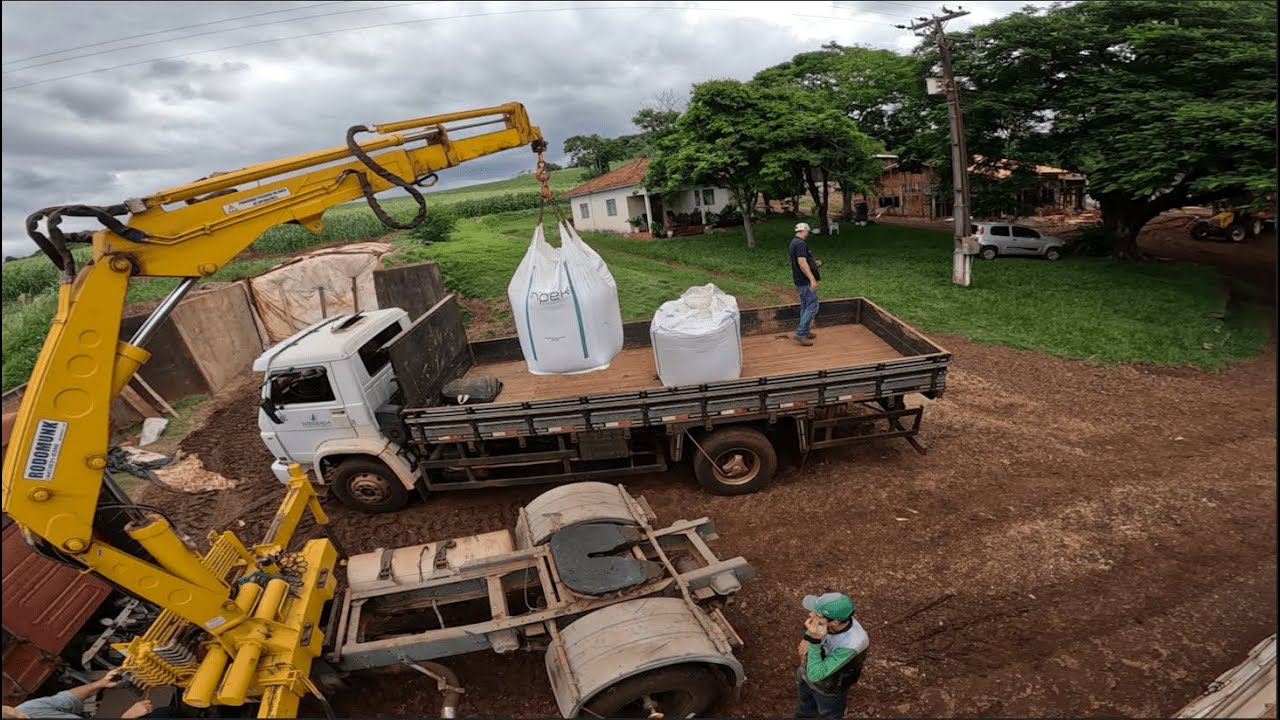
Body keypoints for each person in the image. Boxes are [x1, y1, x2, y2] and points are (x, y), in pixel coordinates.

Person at [795, 592, 869, 720]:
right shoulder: (836, 619)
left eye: (818, 615)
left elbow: (815, 675)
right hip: (807, 673)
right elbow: (817, 625)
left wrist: (813, 641)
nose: (811, 615)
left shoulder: (853, 644)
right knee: (806, 706)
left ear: (835, 622)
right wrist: (807, 636)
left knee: (829, 714)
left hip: (829, 687)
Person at [2, 670, 158, 719]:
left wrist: (100, 684)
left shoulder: (29, 709)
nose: (24, 716)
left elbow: (68, 698)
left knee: (166, 712)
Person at [788, 222, 821, 346]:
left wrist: (813, 264)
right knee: (813, 306)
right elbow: (801, 262)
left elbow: (801, 261)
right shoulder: (801, 244)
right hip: (804, 281)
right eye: (808, 232)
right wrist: (812, 279)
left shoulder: (793, 243)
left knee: (805, 306)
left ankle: (805, 331)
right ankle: (801, 333)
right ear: (804, 231)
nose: (808, 235)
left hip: (798, 280)